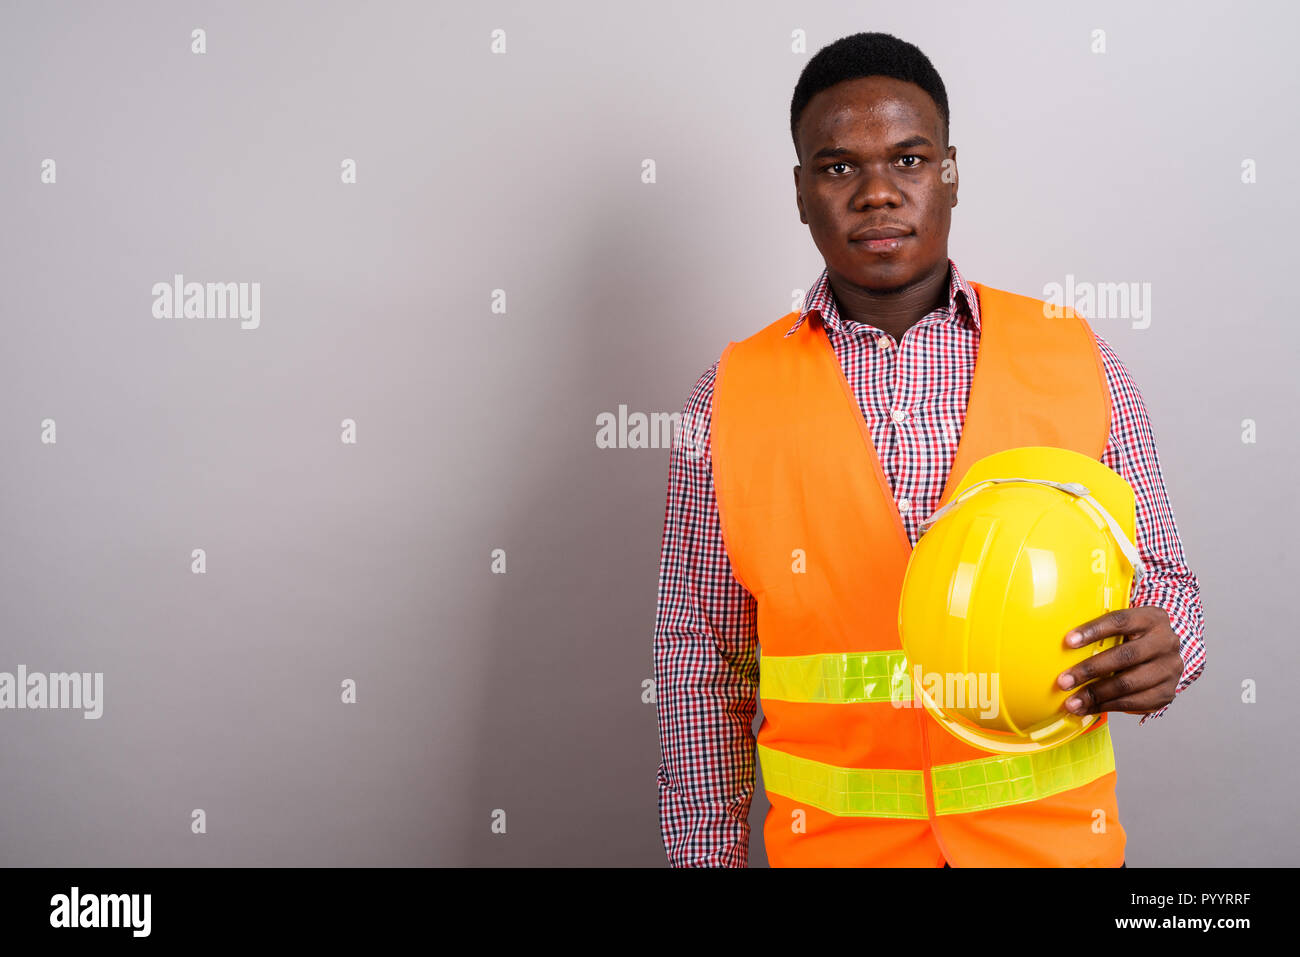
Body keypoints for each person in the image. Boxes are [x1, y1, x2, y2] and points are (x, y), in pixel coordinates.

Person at [652, 32, 1205, 867]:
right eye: (838, 167)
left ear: (950, 173)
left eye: (908, 160)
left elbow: (1166, 582)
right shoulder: (726, 397)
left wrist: (1170, 649)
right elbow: (701, 664)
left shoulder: (1075, 358)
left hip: (1053, 852)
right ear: (801, 193)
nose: (877, 192)